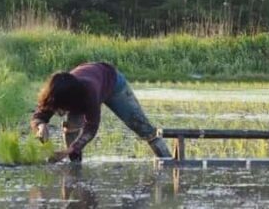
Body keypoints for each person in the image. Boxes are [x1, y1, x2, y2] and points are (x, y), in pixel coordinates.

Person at [31, 61, 171, 162]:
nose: (59, 112)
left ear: (71, 100)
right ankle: (75, 166)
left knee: (142, 127)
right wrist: (40, 126)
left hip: (113, 83)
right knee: (71, 128)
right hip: (88, 77)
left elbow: (91, 128)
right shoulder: (55, 92)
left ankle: (169, 162)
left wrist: (66, 151)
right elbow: (39, 115)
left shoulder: (88, 93)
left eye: (62, 108)